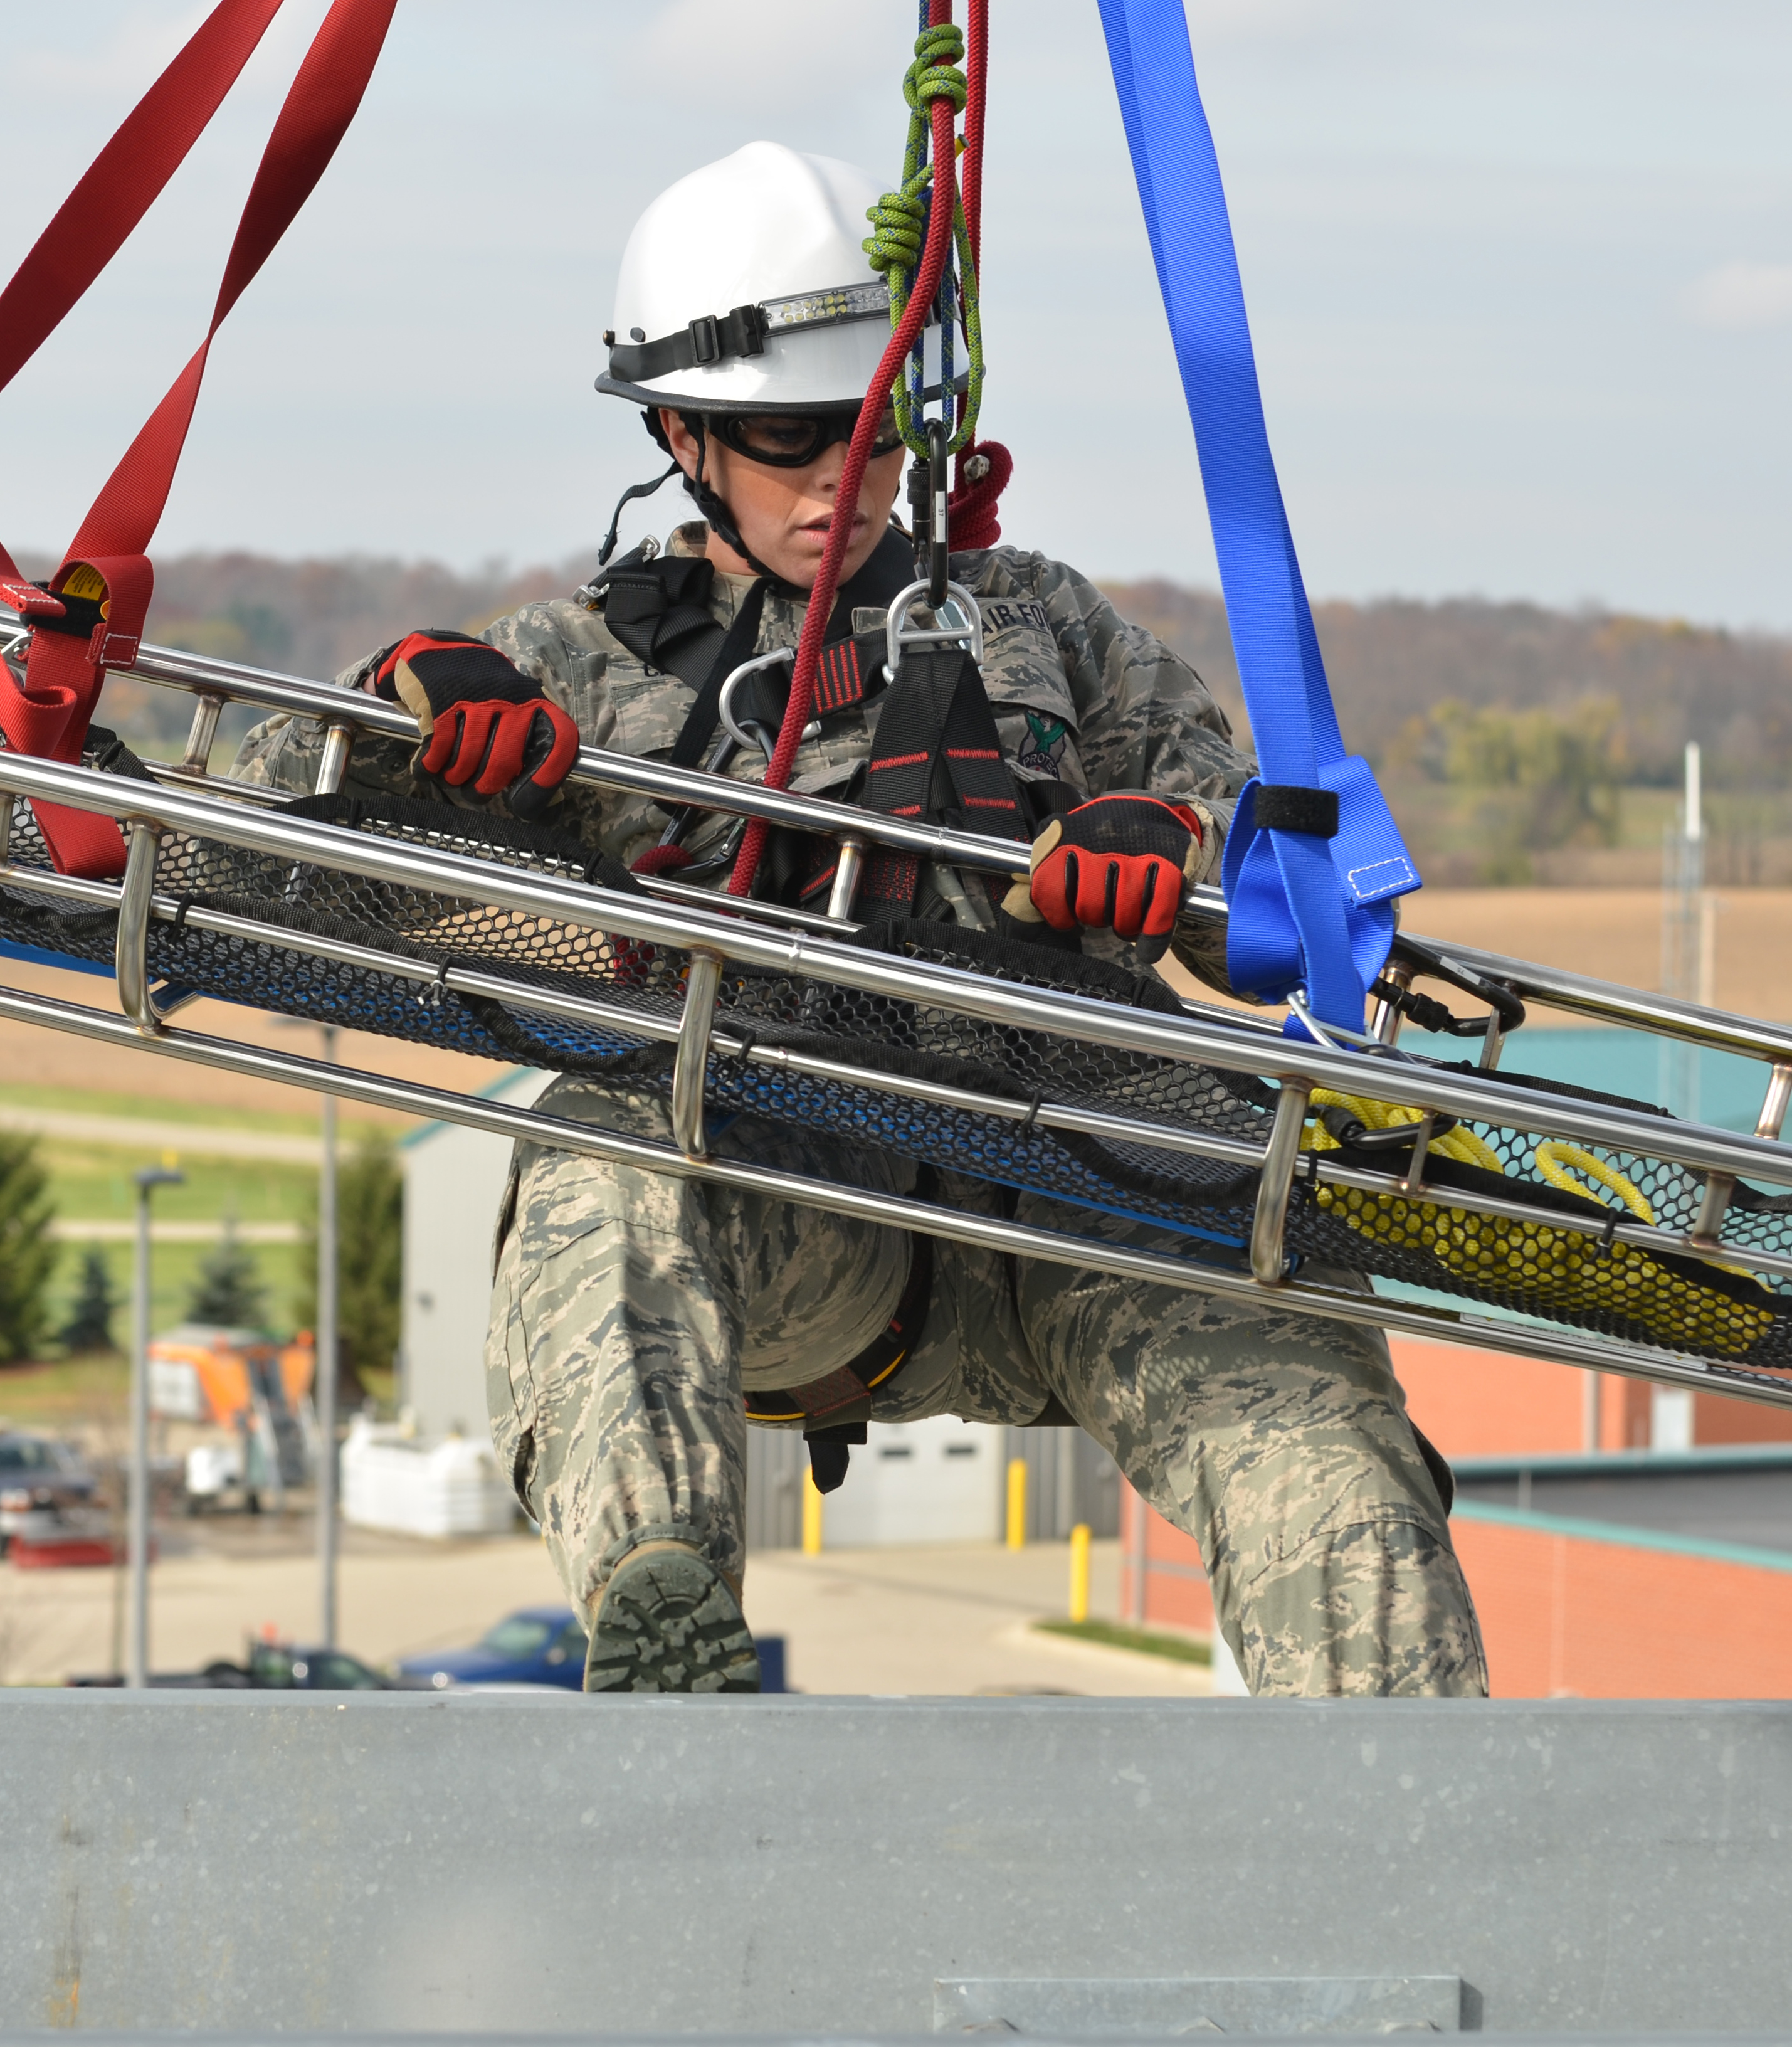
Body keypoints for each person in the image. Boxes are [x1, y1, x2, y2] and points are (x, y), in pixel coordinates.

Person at [235, 142, 1485, 1698]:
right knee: (607, 1154)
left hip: (1092, 1186)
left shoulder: (1042, 627)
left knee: (1317, 1443)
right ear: (681, 434)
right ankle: (657, 1606)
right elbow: (261, 836)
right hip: (795, 1203)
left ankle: (1410, 1788)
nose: (843, 479)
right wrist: (396, 718)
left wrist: (1156, 841)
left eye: (876, 432)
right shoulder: (577, 661)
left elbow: (1260, 862)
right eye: (789, 436)